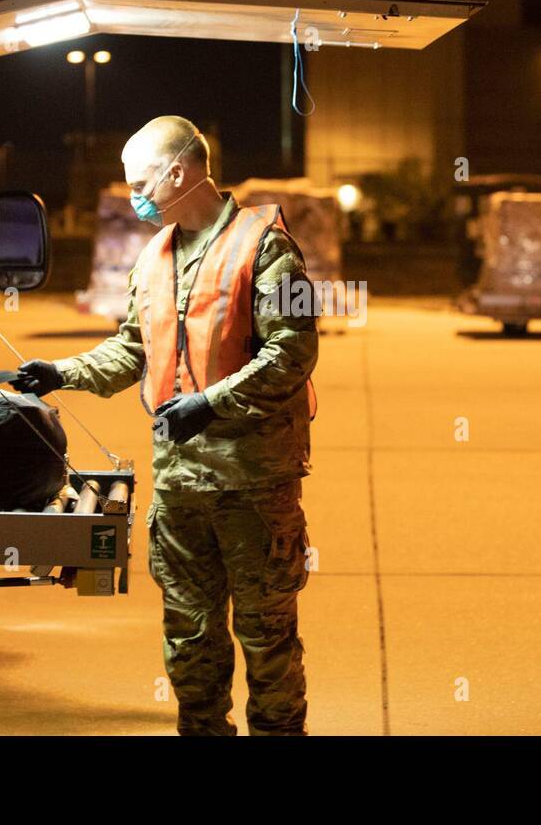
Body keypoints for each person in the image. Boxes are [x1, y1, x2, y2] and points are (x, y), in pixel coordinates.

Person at [17, 116, 318, 735]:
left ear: (178, 172)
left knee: (267, 640)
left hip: (252, 487)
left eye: (140, 182)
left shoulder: (266, 247)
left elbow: (293, 351)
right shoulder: (154, 256)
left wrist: (213, 403)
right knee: (189, 636)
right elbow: (131, 350)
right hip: (181, 487)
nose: (135, 196)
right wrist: (59, 372)